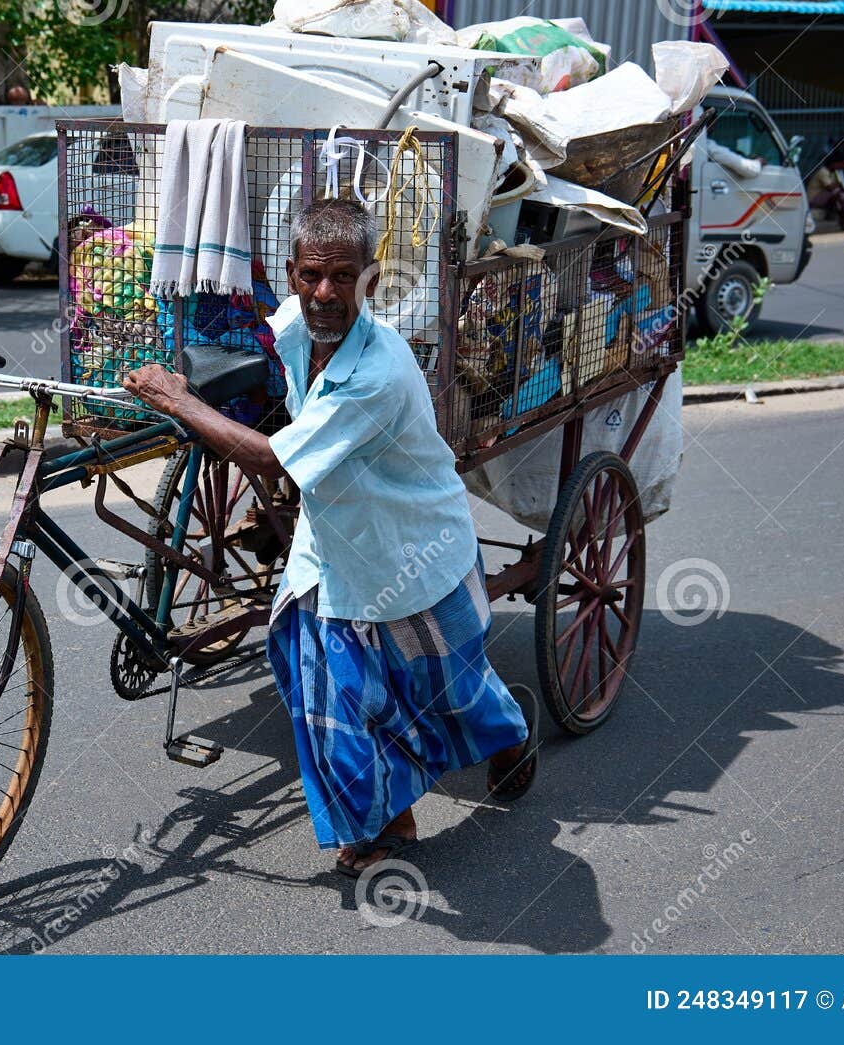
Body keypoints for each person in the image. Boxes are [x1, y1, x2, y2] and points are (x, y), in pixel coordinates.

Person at [124, 198, 536, 876]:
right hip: (332, 549)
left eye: (343, 277)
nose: (325, 293)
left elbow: (274, 459)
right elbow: (258, 347)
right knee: (327, 691)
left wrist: (179, 401)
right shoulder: (295, 326)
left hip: (412, 549)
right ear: (292, 274)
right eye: (312, 275)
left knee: (454, 692)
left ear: (368, 282)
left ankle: (510, 740)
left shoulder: (378, 371)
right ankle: (380, 819)